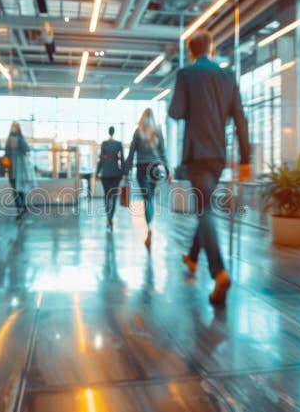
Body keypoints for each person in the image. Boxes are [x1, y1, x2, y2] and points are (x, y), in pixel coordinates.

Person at [168, 29, 251, 305]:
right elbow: (240, 119)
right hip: (218, 157)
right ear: (212, 49)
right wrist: (246, 160)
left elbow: (176, 112)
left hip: (196, 155)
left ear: (192, 52)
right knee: (206, 208)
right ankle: (193, 258)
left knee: (204, 210)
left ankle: (219, 272)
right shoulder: (227, 78)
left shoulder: (186, 74)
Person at [123, 108, 169, 249]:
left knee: (146, 198)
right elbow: (162, 153)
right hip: (155, 169)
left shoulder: (138, 132)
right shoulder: (158, 131)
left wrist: (126, 173)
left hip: (142, 169)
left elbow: (131, 154)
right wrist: (168, 171)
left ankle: (149, 227)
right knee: (150, 198)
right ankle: (150, 224)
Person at [95, 126, 123, 232]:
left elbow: (101, 159)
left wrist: (97, 173)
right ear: (114, 132)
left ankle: (108, 218)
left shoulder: (104, 144)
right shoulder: (118, 144)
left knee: (107, 196)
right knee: (114, 197)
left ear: (108, 132)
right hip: (116, 173)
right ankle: (111, 218)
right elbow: (123, 160)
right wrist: (124, 174)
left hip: (106, 173)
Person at [5, 122, 32, 218]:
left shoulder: (20, 139)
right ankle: (20, 207)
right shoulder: (9, 140)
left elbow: (27, 149)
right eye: (13, 127)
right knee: (15, 189)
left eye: (15, 127)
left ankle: (22, 206)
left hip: (19, 169)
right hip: (12, 169)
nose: (14, 129)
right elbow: (6, 155)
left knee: (19, 189)